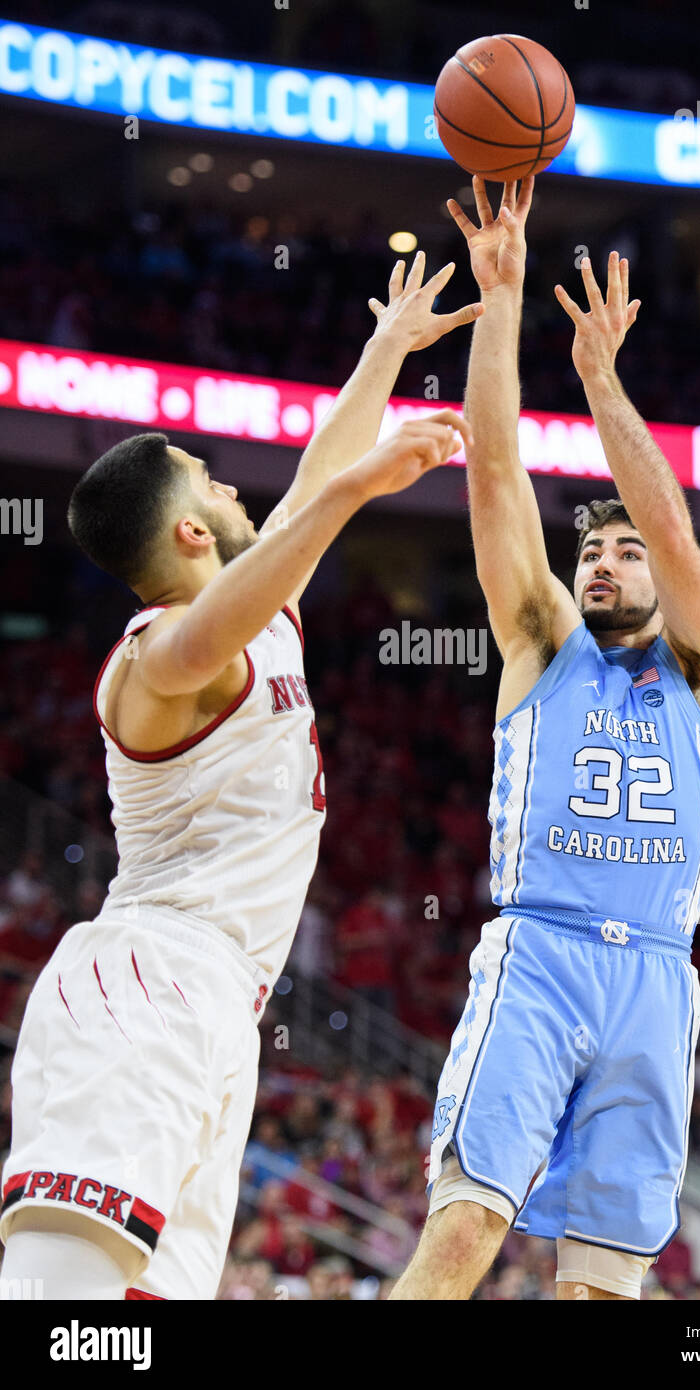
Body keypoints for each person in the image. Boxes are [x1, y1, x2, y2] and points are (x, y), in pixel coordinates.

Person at [0, 253, 480, 1300]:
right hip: (145, 979)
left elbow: (313, 477)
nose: (232, 486)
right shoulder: (152, 657)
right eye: (210, 481)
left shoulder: (265, 615)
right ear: (187, 531)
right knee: (57, 1310)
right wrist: (357, 488)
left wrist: (385, 349)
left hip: (222, 1009)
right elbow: (219, 619)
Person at [391, 178, 700, 1302]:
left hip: (654, 982)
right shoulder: (542, 643)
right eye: (591, 549)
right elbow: (495, 479)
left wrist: (600, 380)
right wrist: (501, 303)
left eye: (623, 551)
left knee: (597, 1291)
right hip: (538, 958)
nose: (602, 559)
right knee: (460, 1234)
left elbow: (676, 527)